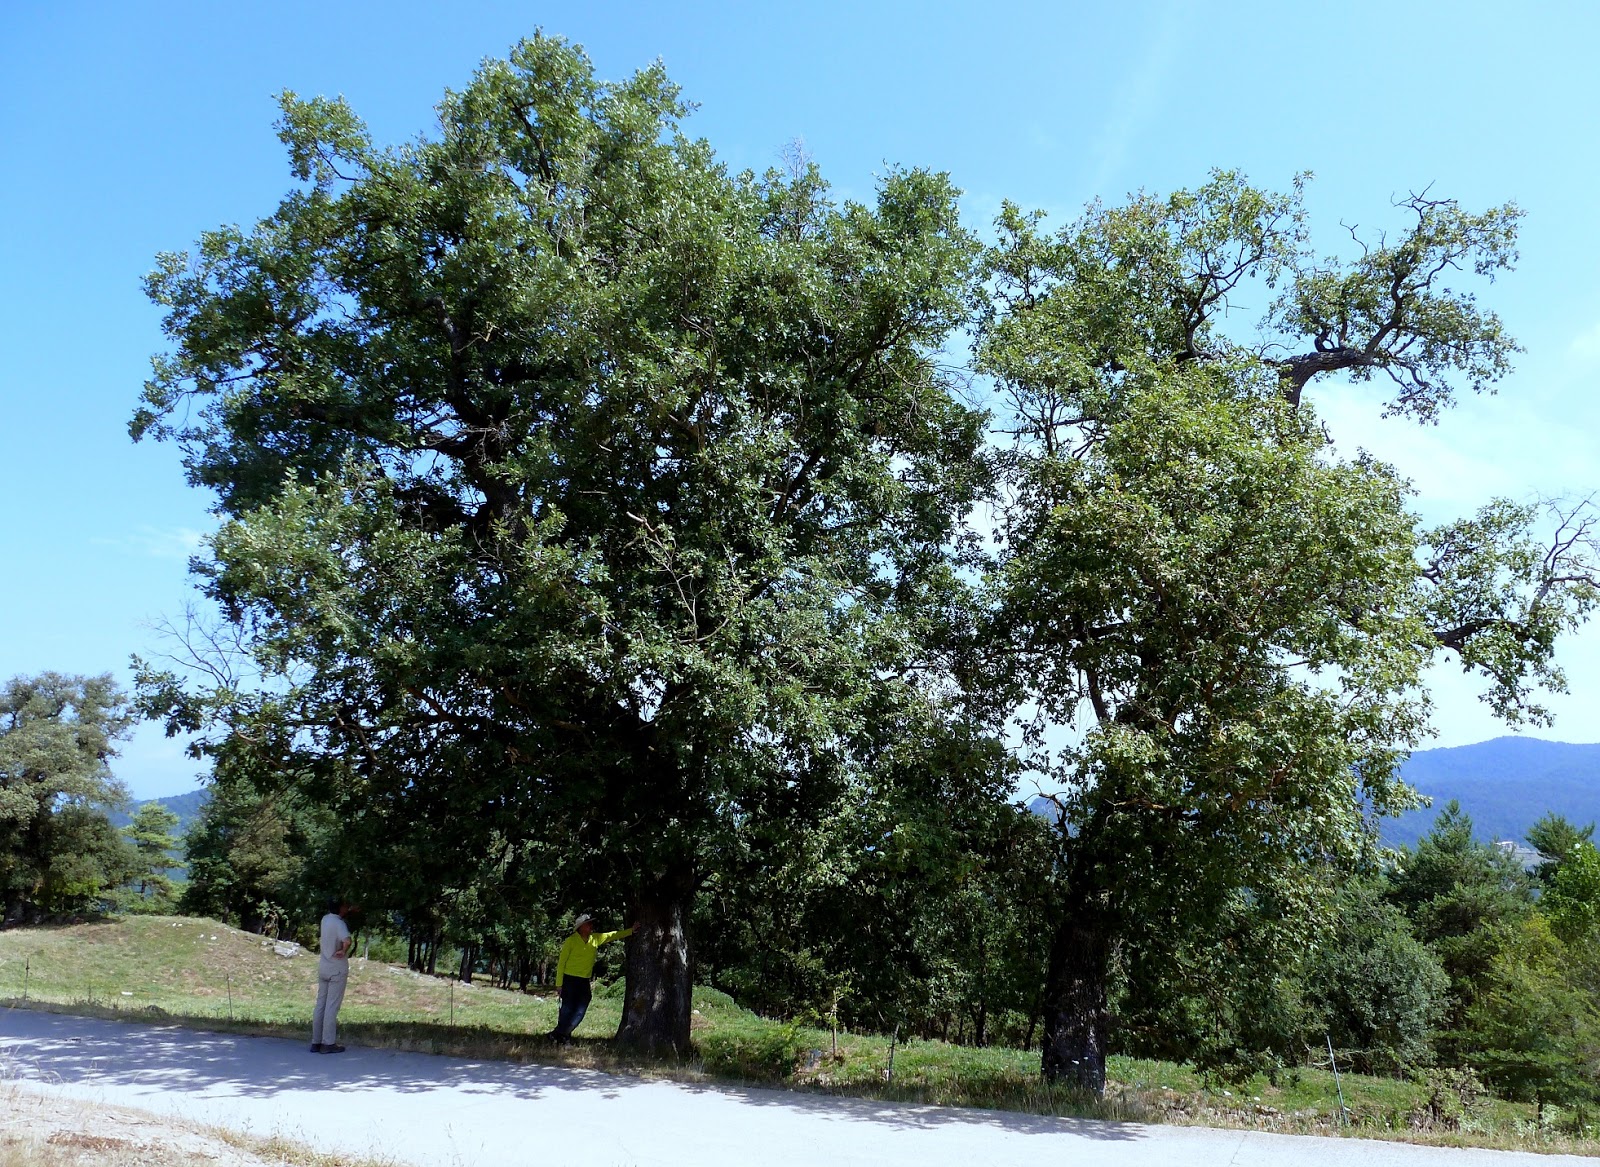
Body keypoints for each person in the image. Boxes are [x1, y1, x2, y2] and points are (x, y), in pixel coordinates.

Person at [550, 914, 634, 1043]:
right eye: (588, 923)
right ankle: (563, 1037)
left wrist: (631, 931)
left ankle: (558, 1034)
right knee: (567, 1008)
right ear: (581, 927)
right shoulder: (571, 941)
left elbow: (612, 935)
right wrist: (559, 984)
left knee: (581, 1007)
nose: (591, 926)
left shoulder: (595, 939)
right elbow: (561, 963)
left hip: (584, 980)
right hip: (569, 979)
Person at [310, 898, 353, 1054]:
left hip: (323, 966)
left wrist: (350, 911)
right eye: (345, 905)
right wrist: (343, 950)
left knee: (320, 1004)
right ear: (341, 908)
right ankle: (328, 1043)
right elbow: (347, 940)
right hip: (337, 968)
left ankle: (316, 1041)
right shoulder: (340, 924)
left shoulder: (325, 920)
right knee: (332, 1006)